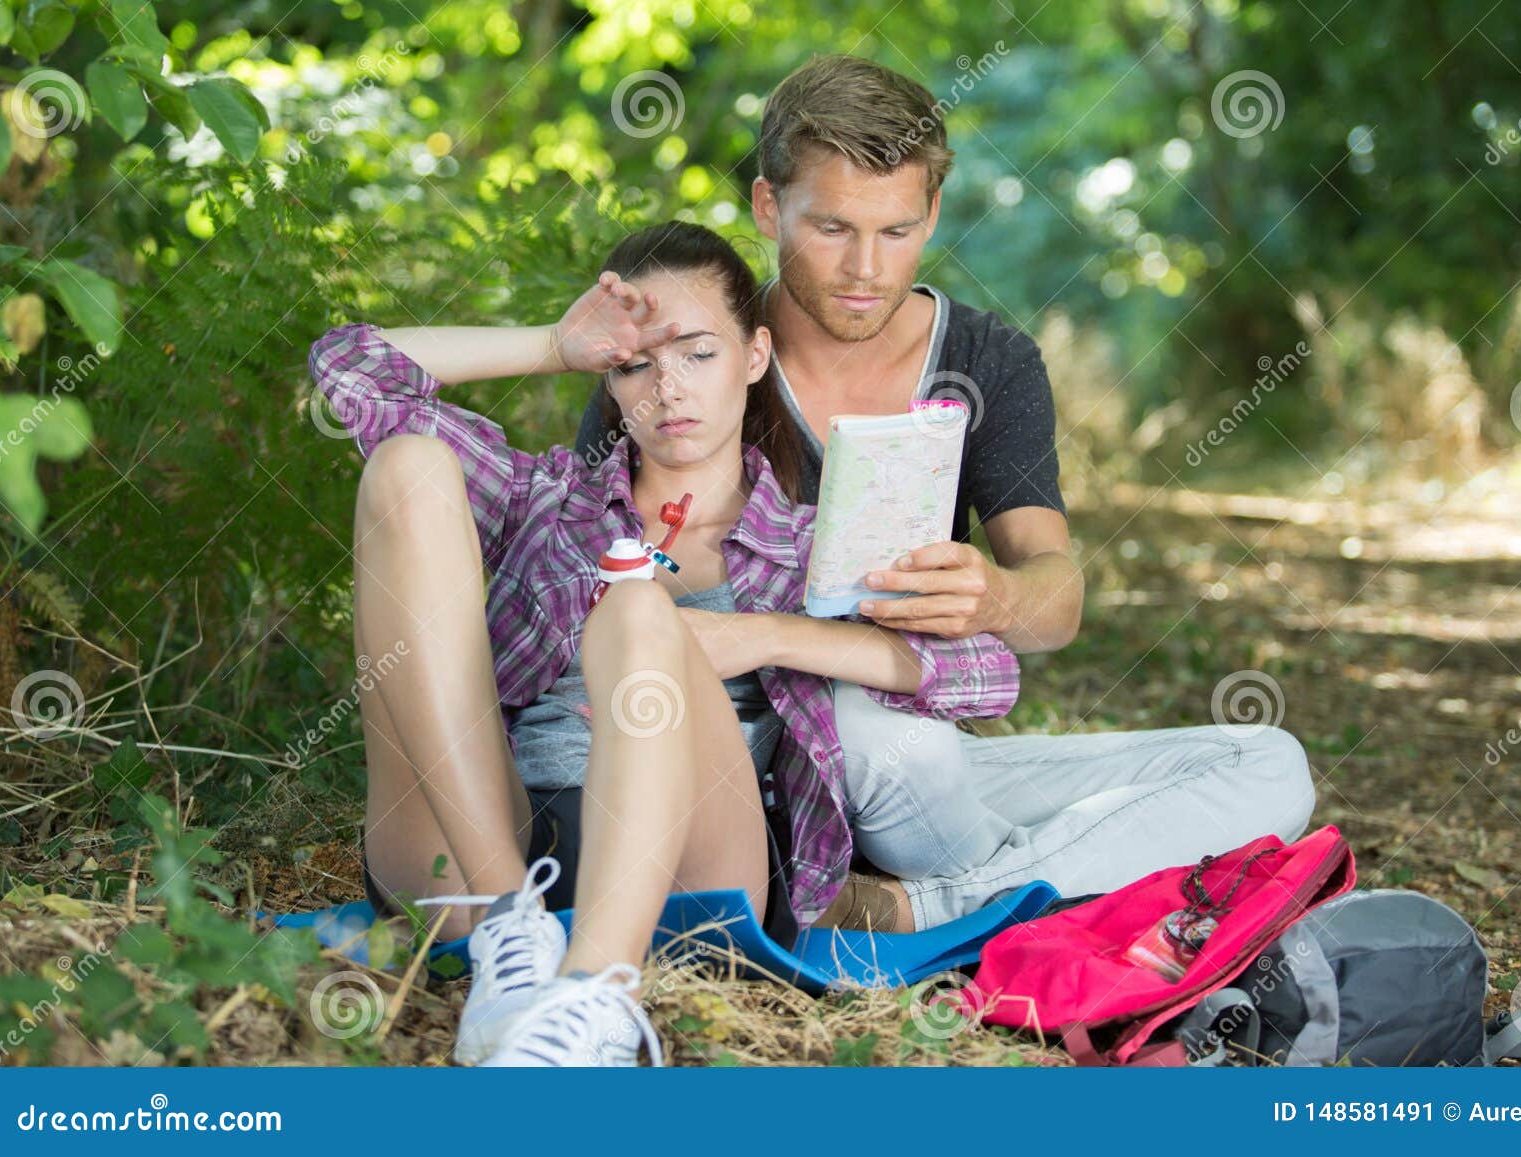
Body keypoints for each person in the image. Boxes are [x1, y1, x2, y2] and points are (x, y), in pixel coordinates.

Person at [576, 54, 1317, 933]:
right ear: (768, 207)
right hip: (753, 760)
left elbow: (1056, 597)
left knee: (1269, 763)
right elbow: (593, 589)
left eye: (897, 231)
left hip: (921, 762)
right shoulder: (686, 358)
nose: (864, 269)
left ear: (932, 210)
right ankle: (1035, 890)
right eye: (833, 228)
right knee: (877, 735)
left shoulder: (989, 361)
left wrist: (996, 593)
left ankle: (929, 906)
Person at [307, 220, 1019, 1066]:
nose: (666, 389)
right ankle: (514, 935)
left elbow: (986, 671)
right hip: (483, 841)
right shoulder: (548, 499)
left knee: (638, 611)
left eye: (695, 353)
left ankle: (596, 997)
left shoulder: (811, 543)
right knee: (407, 466)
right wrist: (554, 343)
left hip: (690, 868)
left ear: (755, 356)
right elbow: (347, 370)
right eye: (636, 363)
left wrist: (759, 634)